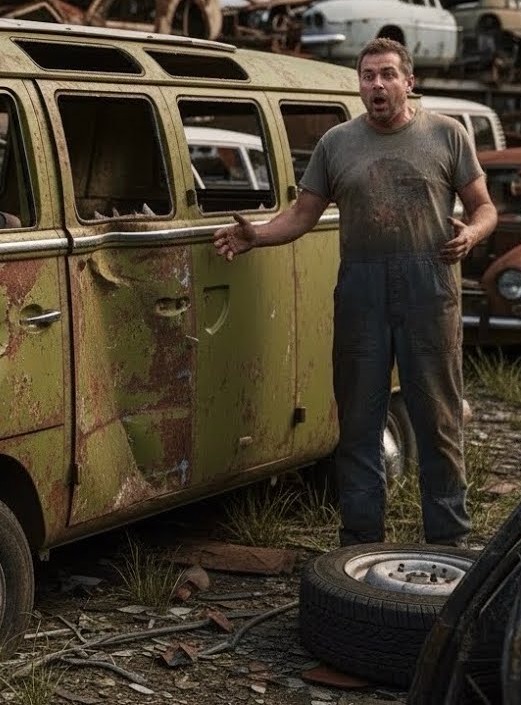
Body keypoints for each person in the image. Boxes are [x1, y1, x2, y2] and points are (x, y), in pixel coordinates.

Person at [212, 38, 497, 547]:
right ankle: (361, 543)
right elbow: (301, 217)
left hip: (429, 293)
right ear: (360, 84)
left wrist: (472, 234)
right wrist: (256, 235)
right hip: (361, 296)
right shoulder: (337, 144)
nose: (377, 85)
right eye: (368, 76)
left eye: (388, 74)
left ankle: (449, 541)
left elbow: (485, 208)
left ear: (409, 82)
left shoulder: (446, 135)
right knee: (359, 424)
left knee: (437, 418)